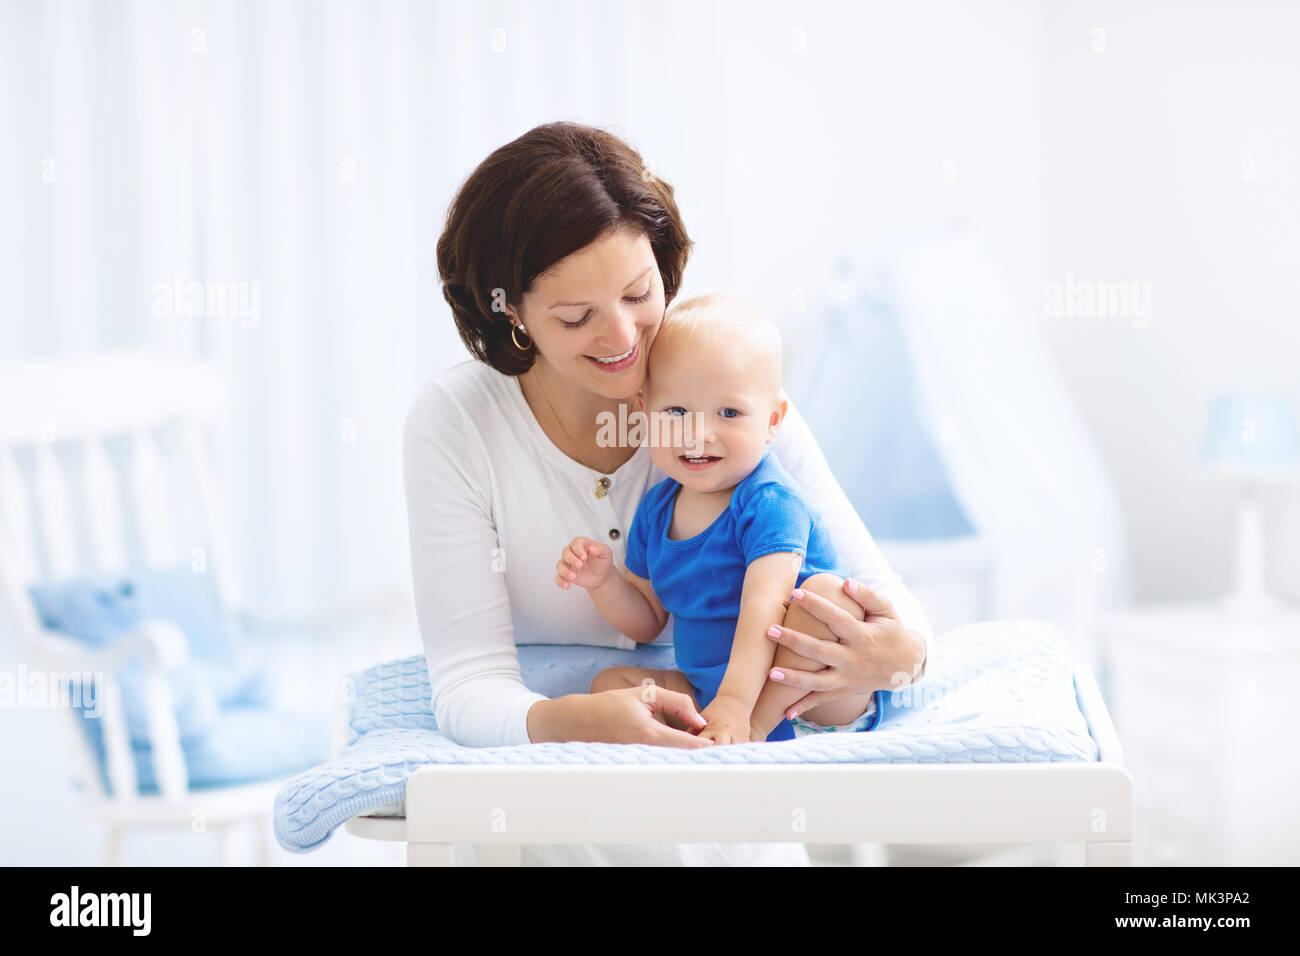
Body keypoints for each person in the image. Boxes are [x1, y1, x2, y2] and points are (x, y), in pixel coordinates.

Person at [407, 120, 933, 865]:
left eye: (637, 292)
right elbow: (465, 684)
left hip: (731, 808)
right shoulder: (456, 424)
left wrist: (899, 658)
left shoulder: (732, 396)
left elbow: (891, 609)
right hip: (546, 818)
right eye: (574, 315)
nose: (623, 336)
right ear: (512, 313)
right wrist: (586, 721)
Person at [559, 293, 878, 744]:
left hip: (813, 694)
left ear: (772, 421)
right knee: (609, 688)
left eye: (728, 412)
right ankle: (707, 730)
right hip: (711, 691)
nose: (698, 433)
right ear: (643, 410)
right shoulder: (657, 510)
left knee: (825, 599)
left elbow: (763, 608)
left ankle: (754, 732)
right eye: (675, 411)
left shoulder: (770, 500)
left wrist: (736, 705)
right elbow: (649, 620)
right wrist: (604, 582)